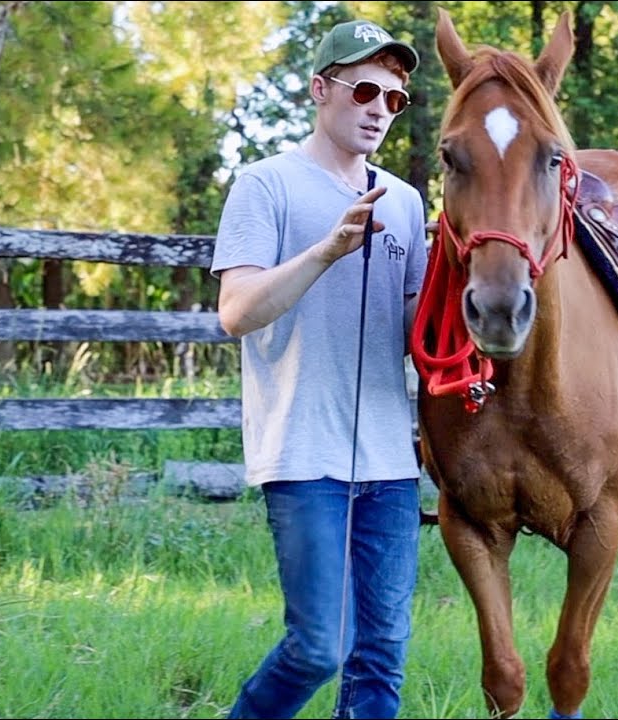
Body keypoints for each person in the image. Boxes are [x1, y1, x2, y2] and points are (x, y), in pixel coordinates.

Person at [210, 18, 427, 720]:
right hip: (303, 456)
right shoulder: (265, 184)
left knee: (382, 654)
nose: (378, 109)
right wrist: (327, 250)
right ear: (320, 89)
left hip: (391, 464)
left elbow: (420, 331)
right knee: (318, 647)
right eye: (365, 89)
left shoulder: (406, 200)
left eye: (394, 99)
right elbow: (237, 311)